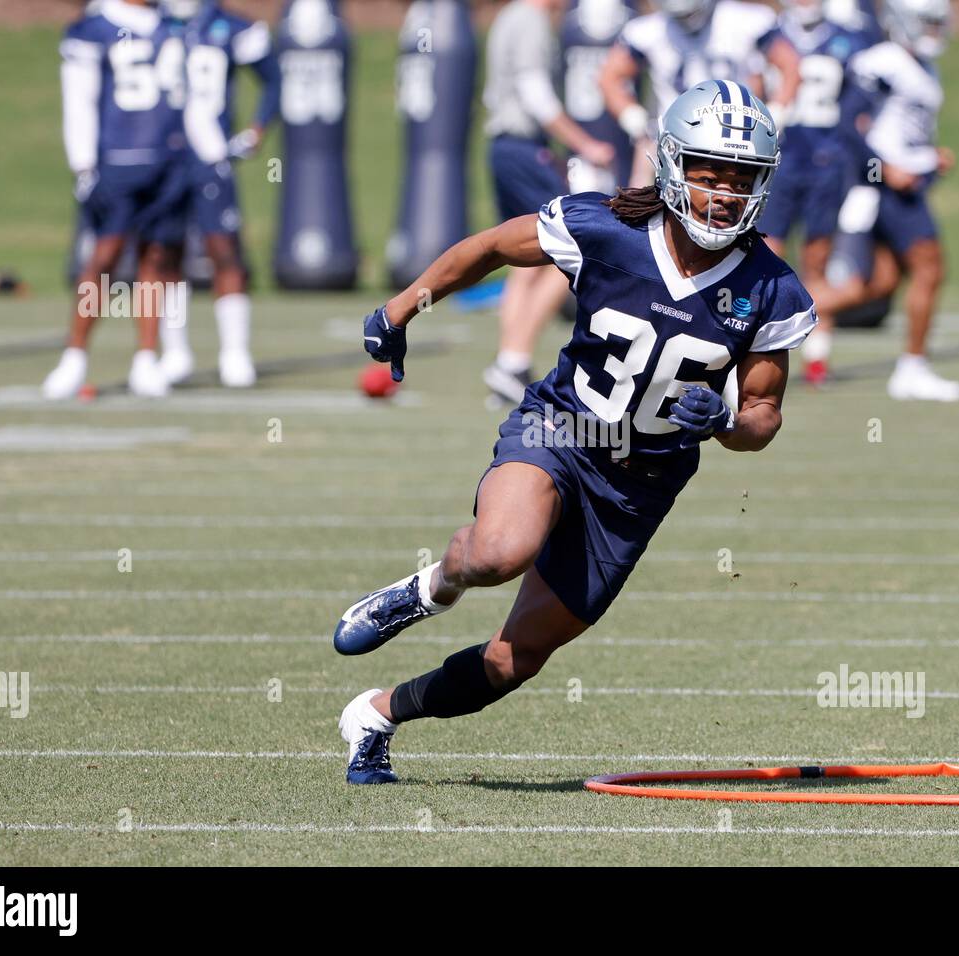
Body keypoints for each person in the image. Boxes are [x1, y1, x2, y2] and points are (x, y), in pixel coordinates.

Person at [332, 80, 817, 785]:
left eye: (738, 181)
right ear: (673, 167)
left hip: (639, 485)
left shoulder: (770, 286)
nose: (720, 196)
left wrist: (728, 422)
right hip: (561, 428)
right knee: (500, 552)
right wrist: (400, 308)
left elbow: (765, 415)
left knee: (512, 660)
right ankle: (432, 586)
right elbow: (492, 247)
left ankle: (377, 714)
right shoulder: (608, 227)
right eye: (708, 176)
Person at [812, 0, 959, 401]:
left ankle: (763, 311)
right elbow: (850, 123)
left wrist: (929, 159)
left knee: (877, 283)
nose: (933, 30)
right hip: (885, 188)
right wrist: (883, 167)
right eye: (926, 22)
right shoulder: (882, 62)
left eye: (937, 23)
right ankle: (912, 369)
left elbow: (905, 129)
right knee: (930, 267)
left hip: (904, 184)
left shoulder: (921, 65)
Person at [43, 0, 189, 400]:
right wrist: (83, 162)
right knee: (104, 259)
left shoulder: (173, 22)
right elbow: (80, 98)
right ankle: (74, 356)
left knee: (157, 259)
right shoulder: (94, 28)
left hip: (168, 160)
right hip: (116, 162)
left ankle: (146, 357)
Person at [481, 0, 617, 406]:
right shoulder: (531, 20)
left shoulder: (509, 16)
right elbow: (535, 95)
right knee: (569, 249)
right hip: (522, 146)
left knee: (522, 257)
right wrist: (585, 145)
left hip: (506, 147)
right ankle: (512, 360)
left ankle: (509, 362)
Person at [157, 0, 281, 389]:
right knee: (162, 254)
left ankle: (235, 352)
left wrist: (258, 128)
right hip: (160, 156)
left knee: (224, 250)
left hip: (210, 156)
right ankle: (172, 352)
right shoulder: (151, 22)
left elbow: (274, 78)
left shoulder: (229, 27)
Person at [760, 0, 872, 385]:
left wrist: (860, 174)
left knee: (817, 259)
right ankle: (755, 348)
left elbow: (859, 112)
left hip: (826, 161)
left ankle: (817, 355)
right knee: (765, 258)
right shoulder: (768, 35)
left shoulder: (847, 39)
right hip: (779, 158)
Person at [599, 0, 801, 188]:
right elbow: (610, 77)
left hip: (737, 136)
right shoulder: (649, 30)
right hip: (677, 140)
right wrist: (632, 116)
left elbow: (790, 65)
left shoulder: (745, 21)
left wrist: (775, 112)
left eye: (690, 14)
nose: (686, 21)